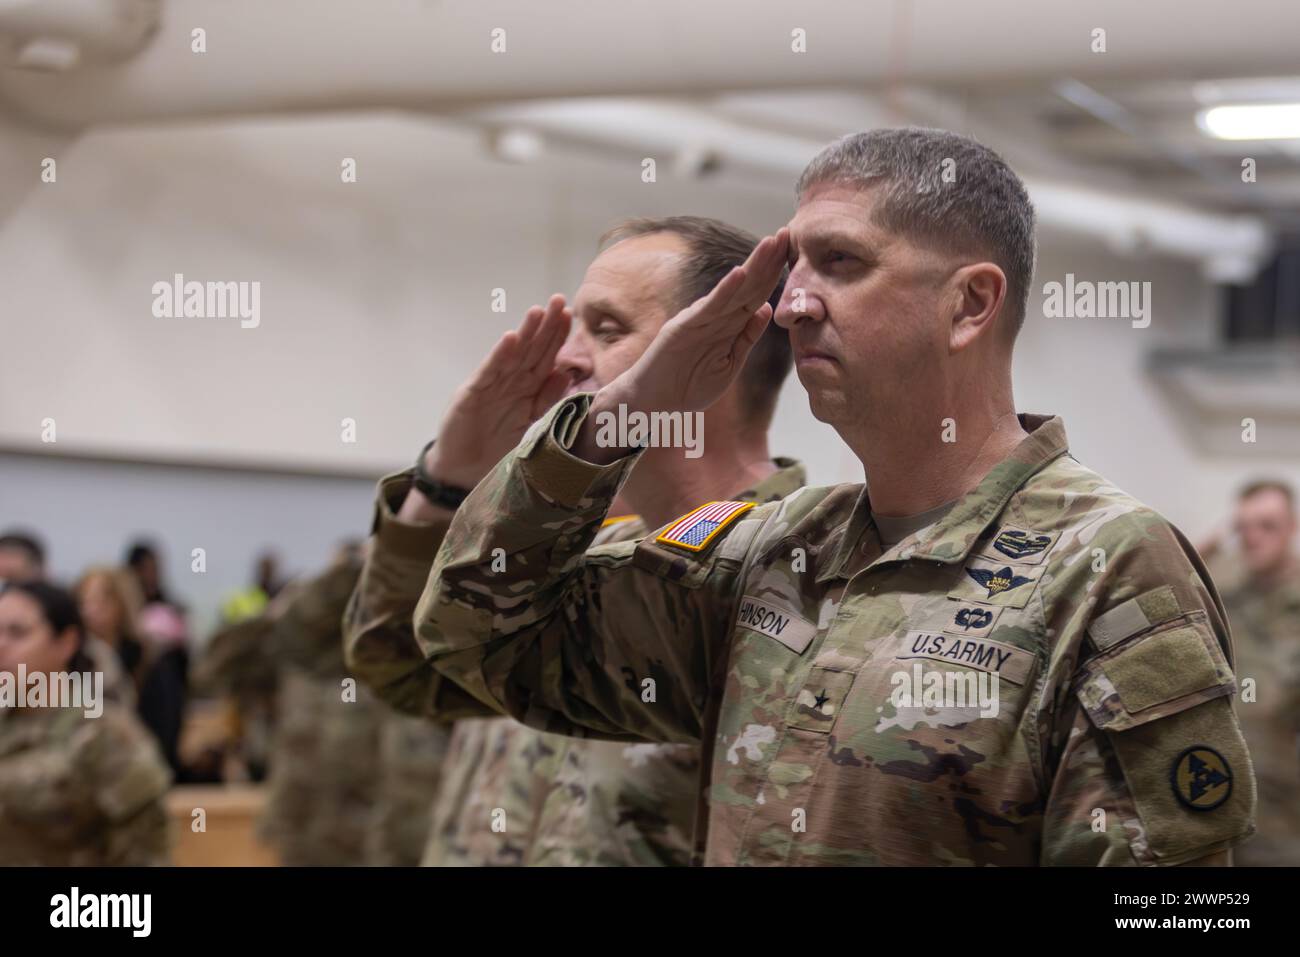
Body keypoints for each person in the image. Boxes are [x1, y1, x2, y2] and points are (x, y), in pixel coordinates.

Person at [415, 128, 1256, 866]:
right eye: (793, 268)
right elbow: (481, 638)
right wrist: (624, 414)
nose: (789, 304)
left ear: (969, 304)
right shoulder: (770, 551)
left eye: (841, 263)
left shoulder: (1107, 566)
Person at [344, 215, 801, 866]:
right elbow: (403, 669)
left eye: (607, 328)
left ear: (714, 348)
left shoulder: (790, 577)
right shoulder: (553, 553)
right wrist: (446, 480)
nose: (565, 357)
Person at [0, 580, 172, 865]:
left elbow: (147, 851)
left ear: (66, 643)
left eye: (18, 633)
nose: (1, 645)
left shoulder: (103, 732)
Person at [1200, 479, 1300, 865]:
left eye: (1267, 526)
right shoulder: (1221, 593)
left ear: (1291, 528)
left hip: (1279, 805)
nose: (1253, 537)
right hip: (1210, 792)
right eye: (1244, 527)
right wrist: (1194, 553)